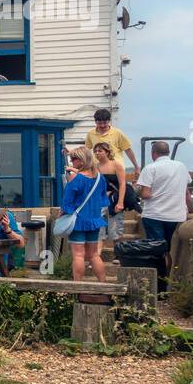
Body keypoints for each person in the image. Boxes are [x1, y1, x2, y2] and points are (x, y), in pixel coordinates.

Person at [135, 140, 193, 278]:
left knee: (158, 251)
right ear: (168, 152)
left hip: (154, 215)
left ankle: (160, 281)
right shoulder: (181, 167)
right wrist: (191, 210)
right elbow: (186, 193)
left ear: (153, 153)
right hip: (176, 215)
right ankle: (168, 278)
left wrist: (138, 190)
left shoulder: (150, 168)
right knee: (168, 250)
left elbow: (145, 194)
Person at [61, 146, 111, 282]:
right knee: (94, 255)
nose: (72, 162)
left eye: (73, 159)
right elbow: (103, 200)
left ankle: (78, 286)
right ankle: (103, 284)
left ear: (81, 161)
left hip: (78, 221)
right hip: (94, 220)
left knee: (78, 255)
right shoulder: (100, 178)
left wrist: (63, 214)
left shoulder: (75, 178)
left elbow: (67, 203)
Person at [93, 142, 133, 242]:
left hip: (114, 199)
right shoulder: (95, 167)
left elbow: (122, 184)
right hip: (100, 201)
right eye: (95, 151)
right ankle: (97, 256)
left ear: (107, 152)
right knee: (99, 232)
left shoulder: (116, 165)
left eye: (100, 151)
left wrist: (120, 202)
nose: (97, 153)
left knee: (115, 231)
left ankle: (118, 255)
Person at [84, 108, 138, 173]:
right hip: (98, 170)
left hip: (116, 170)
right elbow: (86, 150)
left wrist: (136, 167)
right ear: (95, 121)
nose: (102, 125)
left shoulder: (117, 133)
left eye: (104, 123)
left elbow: (128, 150)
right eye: (99, 123)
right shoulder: (90, 134)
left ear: (109, 121)